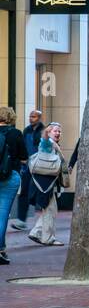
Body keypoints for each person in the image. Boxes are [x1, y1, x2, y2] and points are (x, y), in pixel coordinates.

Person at [27, 122, 66, 246]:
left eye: (59, 131)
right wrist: (45, 132)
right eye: (55, 131)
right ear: (49, 132)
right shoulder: (46, 143)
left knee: (49, 210)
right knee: (50, 210)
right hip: (44, 183)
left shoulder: (53, 144)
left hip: (48, 182)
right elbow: (43, 139)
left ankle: (36, 232)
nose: (58, 133)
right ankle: (48, 238)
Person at [10, 109, 43, 231]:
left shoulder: (43, 131)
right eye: (30, 116)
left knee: (39, 193)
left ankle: (44, 222)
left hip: (39, 167)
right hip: (27, 166)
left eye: (33, 117)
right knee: (24, 192)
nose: (31, 118)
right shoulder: (26, 130)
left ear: (39, 118)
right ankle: (21, 220)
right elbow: (23, 147)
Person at [0, 107, 26, 264]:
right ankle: (0, 250)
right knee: (2, 215)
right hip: (10, 177)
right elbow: (24, 158)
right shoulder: (16, 134)